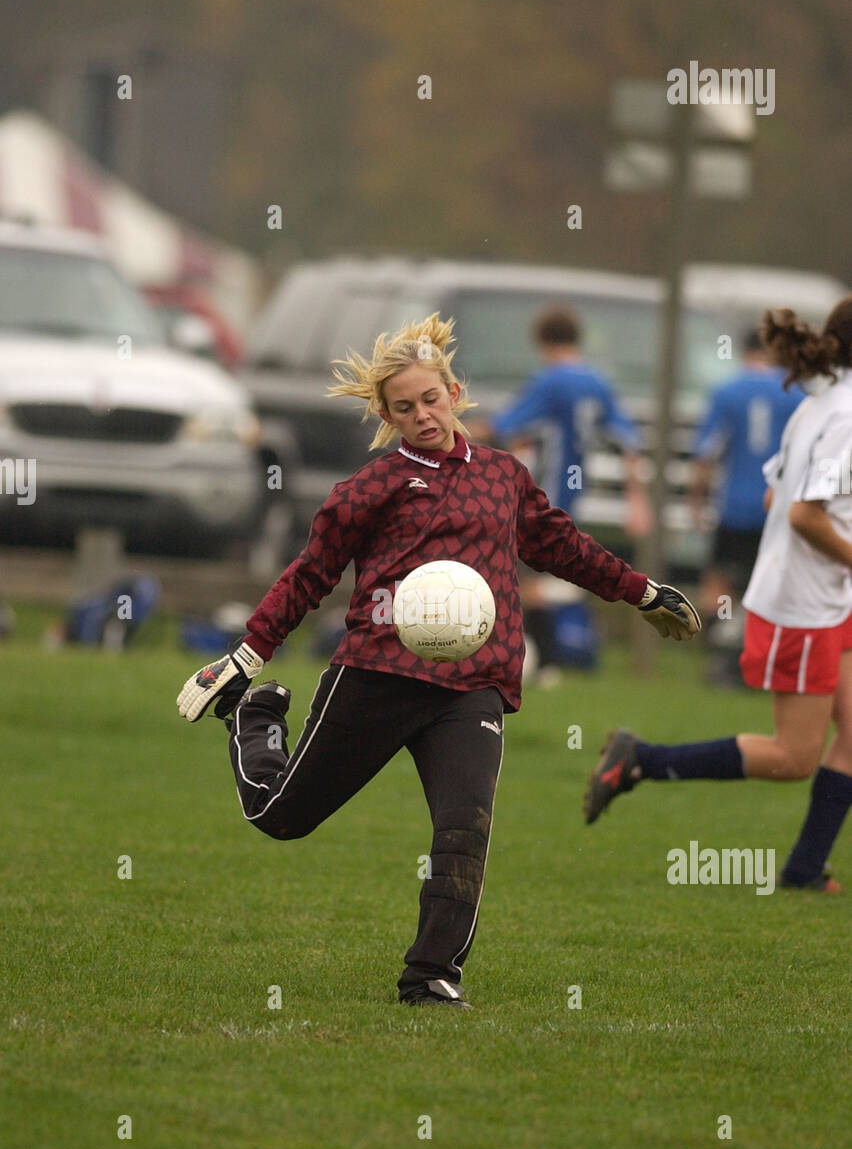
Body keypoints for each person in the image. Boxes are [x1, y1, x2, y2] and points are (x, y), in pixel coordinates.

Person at [176, 313, 700, 1007]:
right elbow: (309, 576)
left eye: (431, 399)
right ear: (387, 417)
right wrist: (245, 657)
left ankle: (430, 976)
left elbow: (564, 547)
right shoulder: (370, 487)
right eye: (404, 408)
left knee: (463, 830)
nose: (422, 415)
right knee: (281, 817)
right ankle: (254, 721)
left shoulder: (504, 478)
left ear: (455, 391)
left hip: (471, 686)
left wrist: (643, 592)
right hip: (376, 673)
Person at [584, 297, 852, 895]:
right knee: (793, 756)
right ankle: (639, 762)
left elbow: (773, 500)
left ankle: (805, 869)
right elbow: (805, 514)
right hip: (802, 606)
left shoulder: (822, 405)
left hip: (829, 596)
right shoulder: (844, 413)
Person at [489, 305, 652, 679]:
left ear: (543, 342)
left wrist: (452, 430)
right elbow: (630, 443)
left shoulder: (551, 381)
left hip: (542, 493)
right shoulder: (598, 383)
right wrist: (637, 501)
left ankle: (543, 662)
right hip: (572, 495)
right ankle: (546, 657)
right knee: (539, 574)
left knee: (524, 576)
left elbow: (504, 425)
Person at [691, 328, 805, 685]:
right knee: (772, 584)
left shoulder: (727, 391)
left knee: (720, 585)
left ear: (744, 351)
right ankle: (765, 660)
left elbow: (706, 454)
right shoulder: (794, 393)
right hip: (779, 508)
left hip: (734, 508)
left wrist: (697, 501)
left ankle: (722, 656)